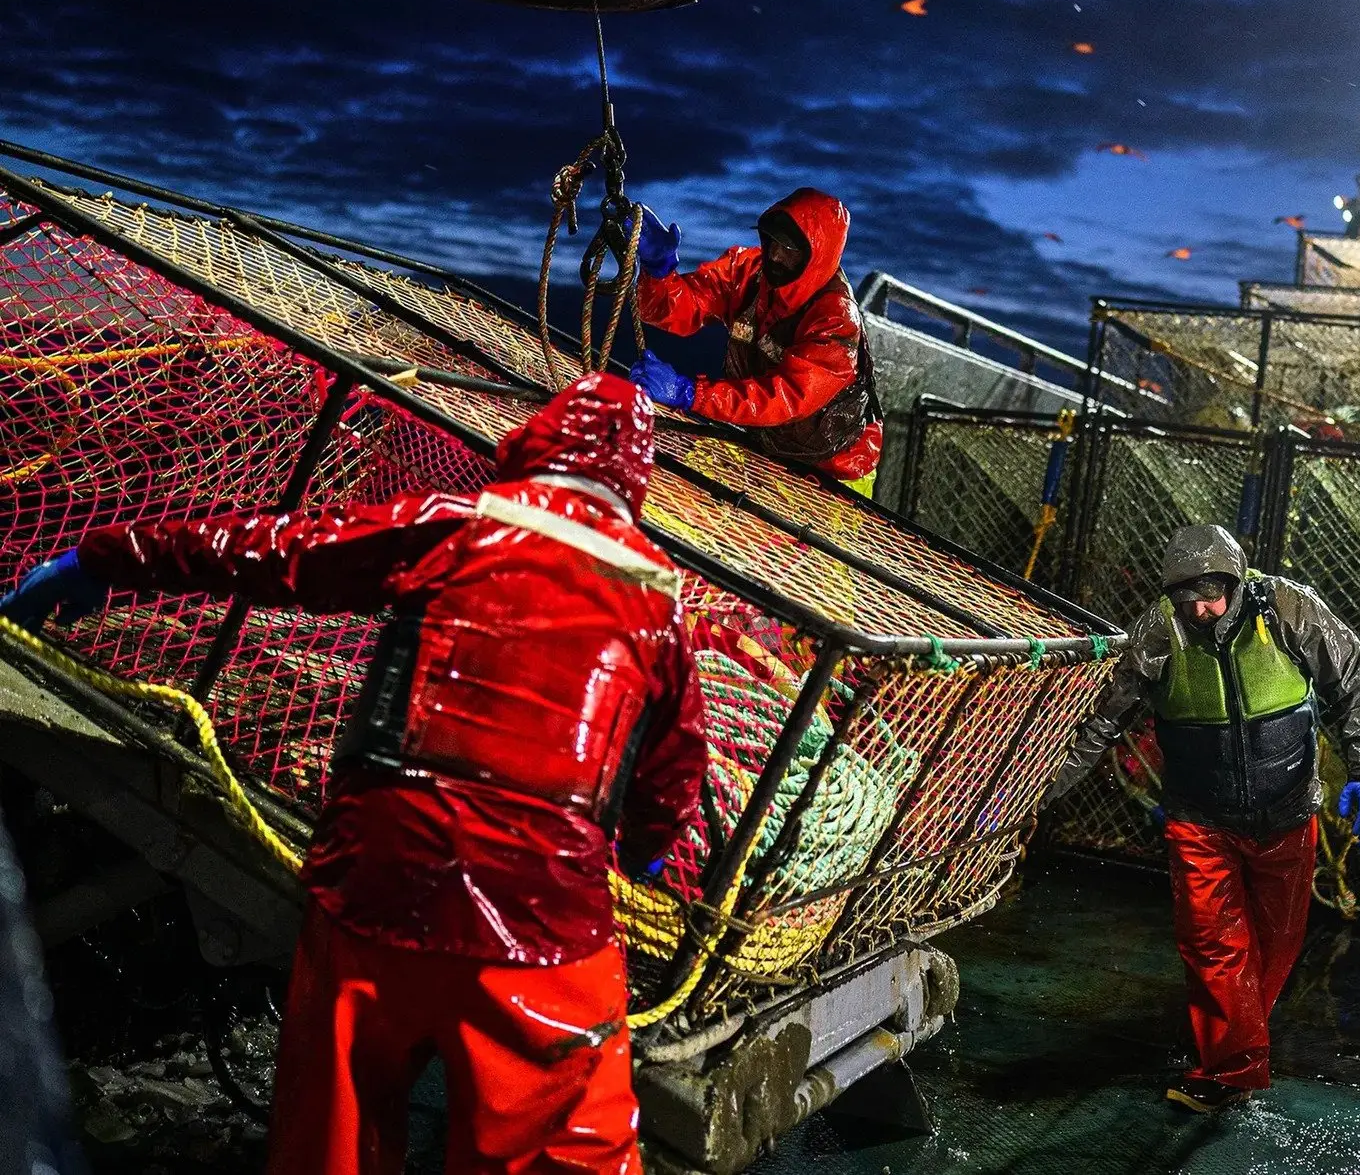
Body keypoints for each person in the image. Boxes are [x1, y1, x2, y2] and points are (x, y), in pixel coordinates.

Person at [0, 373, 707, 1175]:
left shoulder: (455, 523)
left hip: (378, 876)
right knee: (568, 1151)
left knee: (330, 1143)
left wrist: (106, 558)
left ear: (539, 440)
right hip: (544, 917)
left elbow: (272, 549)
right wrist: (646, 848)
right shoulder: (657, 600)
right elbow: (675, 772)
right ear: (633, 484)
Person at [1048, 524, 1360, 1115]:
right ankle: (1227, 1071)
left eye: (1213, 594)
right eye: (1189, 600)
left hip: (1286, 813)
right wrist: (1038, 791)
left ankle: (1229, 1036)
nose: (1203, 610)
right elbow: (1103, 722)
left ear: (1236, 582)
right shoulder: (1159, 631)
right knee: (1213, 942)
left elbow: (1352, 683)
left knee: (1275, 943)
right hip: (1200, 820)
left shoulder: (1291, 608)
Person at [629, 189, 884, 495]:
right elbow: (676, 309)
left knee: (786, 542)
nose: (775, 255)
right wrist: (658, 272)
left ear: (817, 255)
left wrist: (689, 392)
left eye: (790, 248)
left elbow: (786, 397)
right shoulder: (748, 272)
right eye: (772, 240)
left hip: (835, 468)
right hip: (764, 442)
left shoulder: (836, 320)